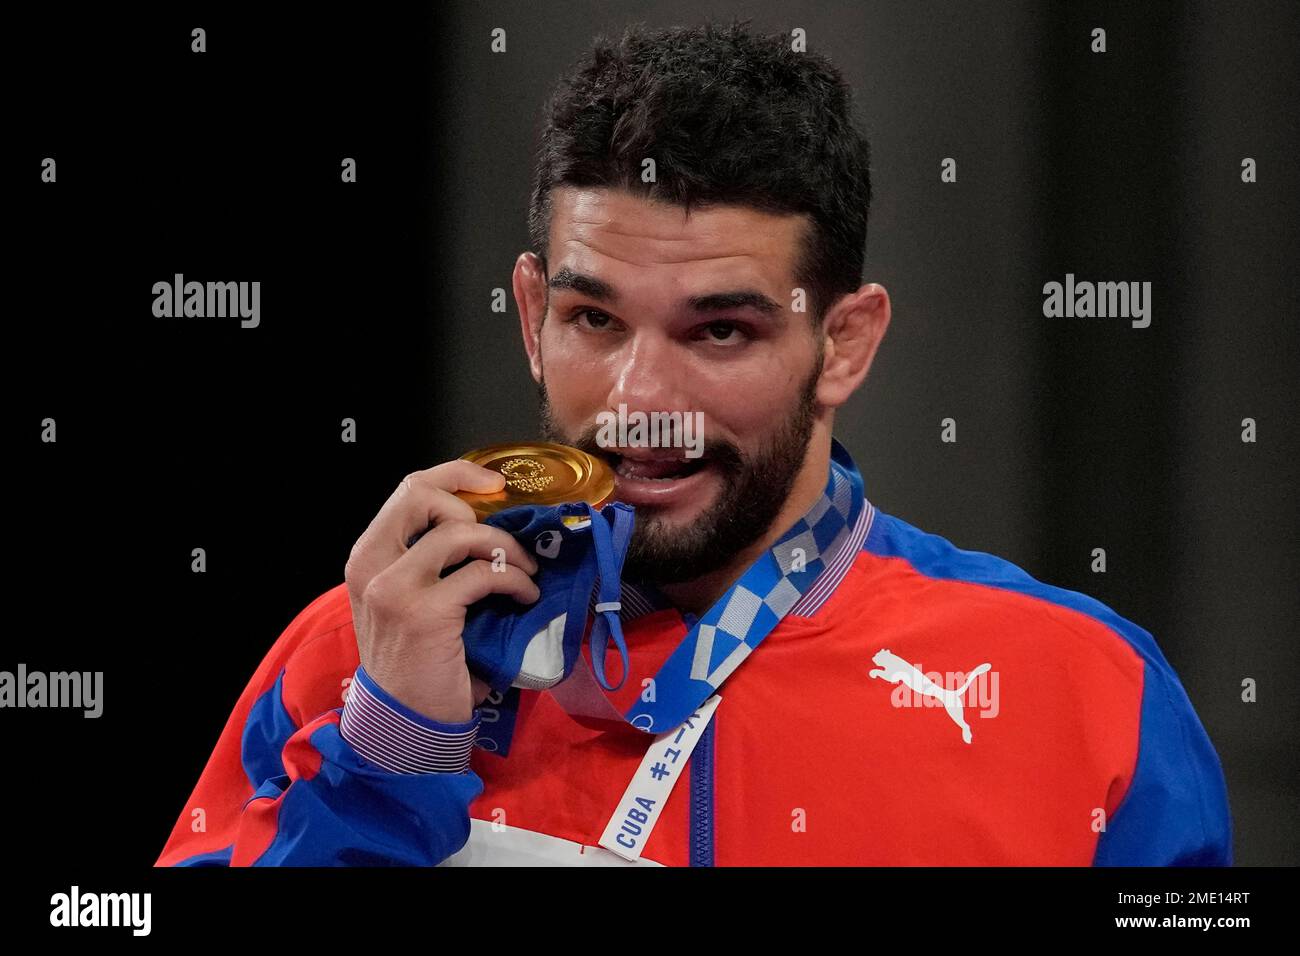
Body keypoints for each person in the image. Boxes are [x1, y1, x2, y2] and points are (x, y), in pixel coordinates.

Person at [156, 21, 1231, 867]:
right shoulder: (364, 649)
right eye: (594, 319)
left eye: (719, 329)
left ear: (844, 343)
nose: (639, 396)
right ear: (532, 315)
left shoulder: (1079, 693)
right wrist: (382, 766)